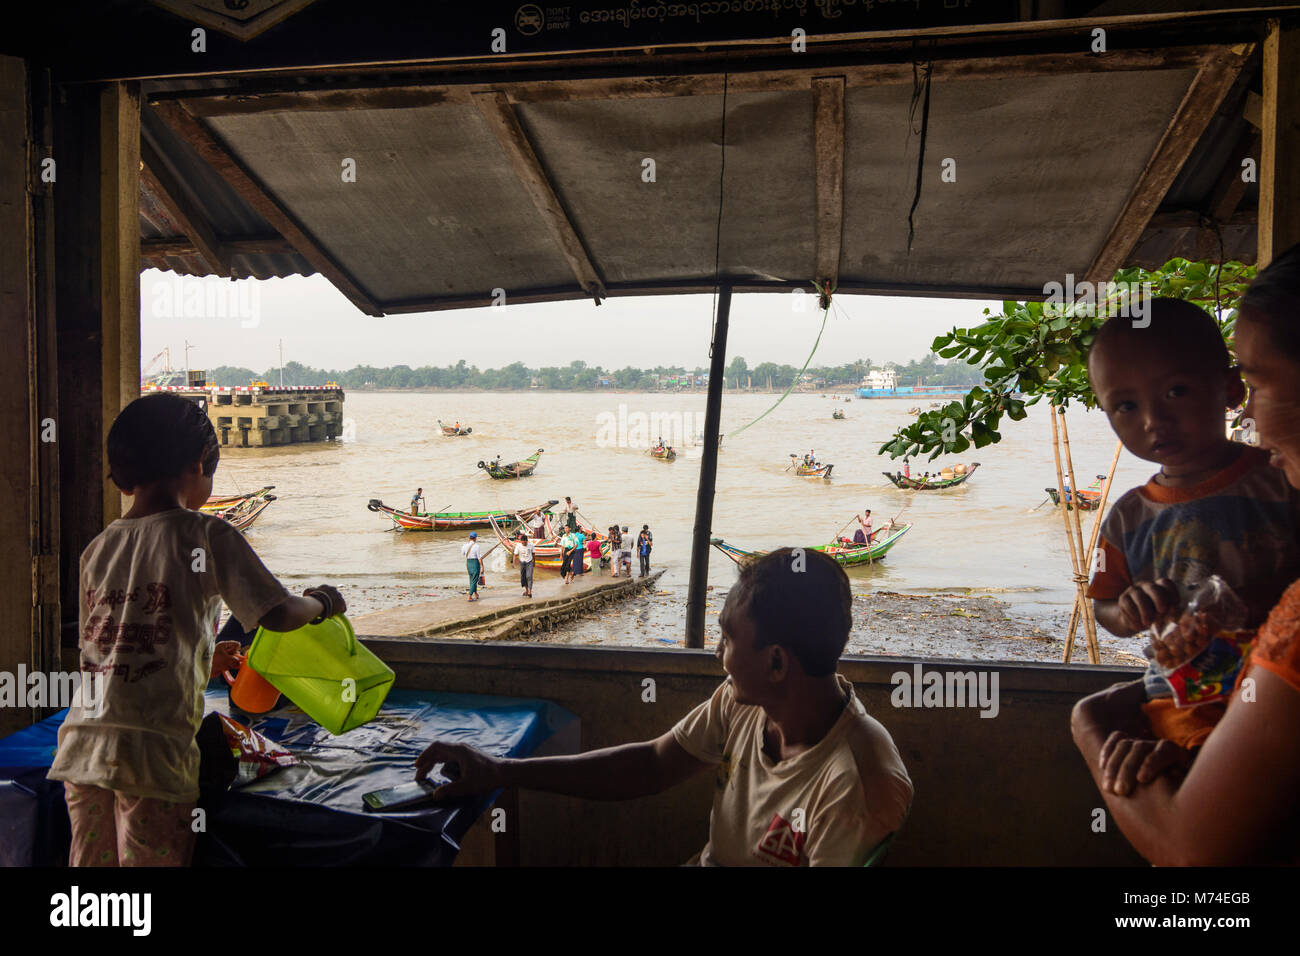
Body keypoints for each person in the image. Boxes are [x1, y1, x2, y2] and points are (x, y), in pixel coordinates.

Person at [413, 547, 913, 866]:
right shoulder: (747, 704)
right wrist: (500, 770)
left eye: (727, 637)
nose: (719, 654)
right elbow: (652, 764)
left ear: (777, 662)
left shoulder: (856, 783)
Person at [45, 393, 346, 867]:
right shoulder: (207, 534)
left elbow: (117, 651)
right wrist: (323, 601)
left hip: (82, 745)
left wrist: (204, 664)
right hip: (154, 752)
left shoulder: (98, 547)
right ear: (199, 463)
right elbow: (278, 614)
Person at [1072, 245, 1300, 864]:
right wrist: (1133, 608)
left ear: (1229, 390)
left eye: (1176, 391)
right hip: (1179, 700)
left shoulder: (1277, 481)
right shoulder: (1126, 516)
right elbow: (1106, 607)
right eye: (1125, 406)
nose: (1153, 421)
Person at [462, 532, 483, 602]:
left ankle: (476, 594)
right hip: (475, 563)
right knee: (474, 580)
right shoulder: (477, 546)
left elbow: (463, 553)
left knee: (472, 579)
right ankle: (469, 596)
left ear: (469, 538)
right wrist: (482, 566)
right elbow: (479, 558)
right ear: (475, 538)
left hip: (468, 563)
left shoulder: (464, 545)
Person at [514, 532, 534, 598]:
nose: (524, 543)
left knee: (529, 576)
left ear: (527, 541)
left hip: (529, 562)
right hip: (522, 563)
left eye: (525, 542)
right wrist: (513, 563)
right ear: (521, 541)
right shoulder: (518, 546)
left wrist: (534, 562)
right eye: (523, 542)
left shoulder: (531, 545)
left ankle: (530, 592)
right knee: (523, 577)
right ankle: (526, 590)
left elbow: (533, 554)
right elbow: (515, 555)